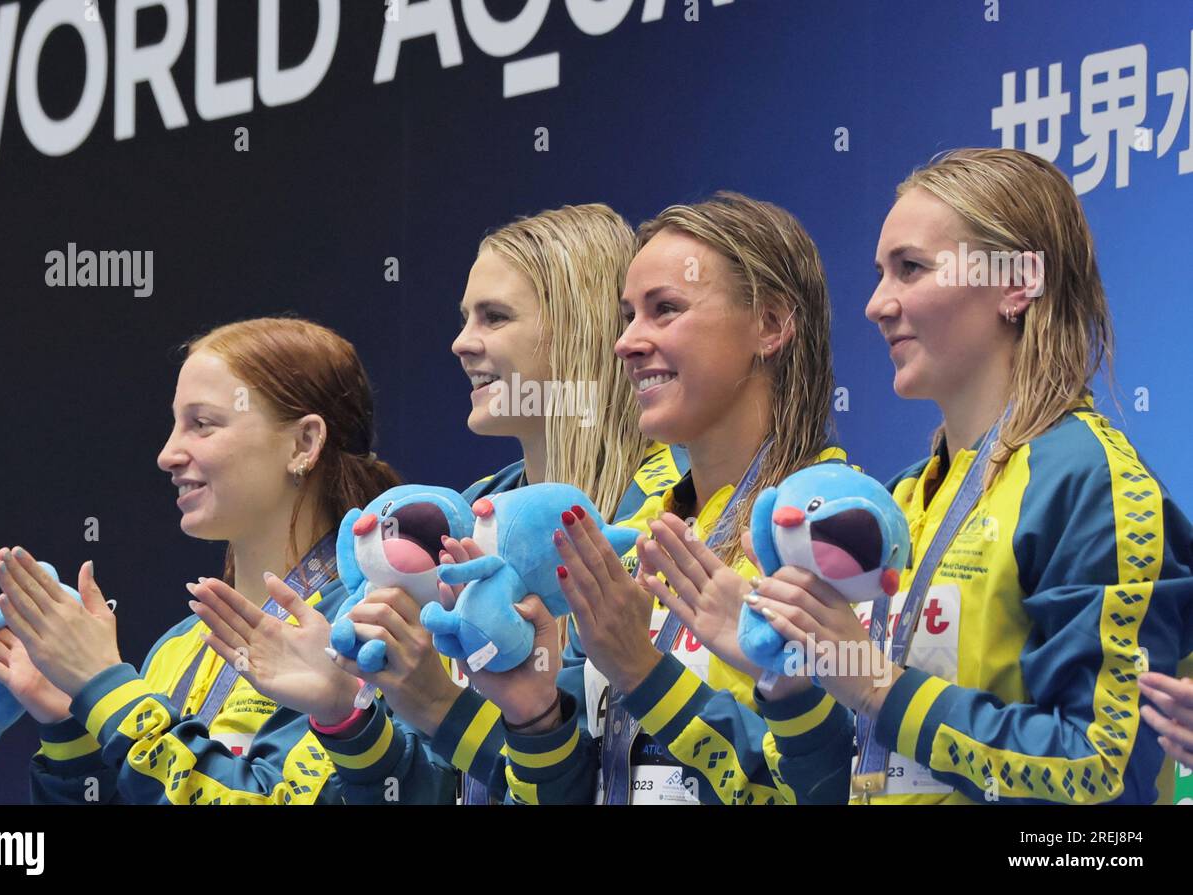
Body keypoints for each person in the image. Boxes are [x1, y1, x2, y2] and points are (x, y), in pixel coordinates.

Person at [196, 204, 689, 805]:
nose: (461, 343)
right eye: (465, 318)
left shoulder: (669, 513)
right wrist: (349, 720)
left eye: (494, 317)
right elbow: (423, 786)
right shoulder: (460, 514)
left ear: (579, 326)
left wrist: (441, 706)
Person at [743, 148, 1193, 804]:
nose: (874, 304)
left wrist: (878, 686)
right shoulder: (898, 502)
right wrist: (791, 690)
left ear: (1016, 283)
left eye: (911, 269)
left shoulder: (1089, 486)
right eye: (879, 273)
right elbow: (841, 782)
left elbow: (1103, 777)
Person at [0, 318, 453, 804]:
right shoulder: (177, 648)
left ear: (303, 443)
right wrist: (70, 725)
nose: (167, 454)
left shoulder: (374, 626)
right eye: (174, 426)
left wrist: (105, 685)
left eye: (202, 425)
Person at [480, 192, 856, 804]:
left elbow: (828, 790)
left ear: (770, 325)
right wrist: (535, 719)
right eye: (628, 315)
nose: (627, 342)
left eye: (666, 310)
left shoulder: (833, 531)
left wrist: (643, 673)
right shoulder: (633, 535)